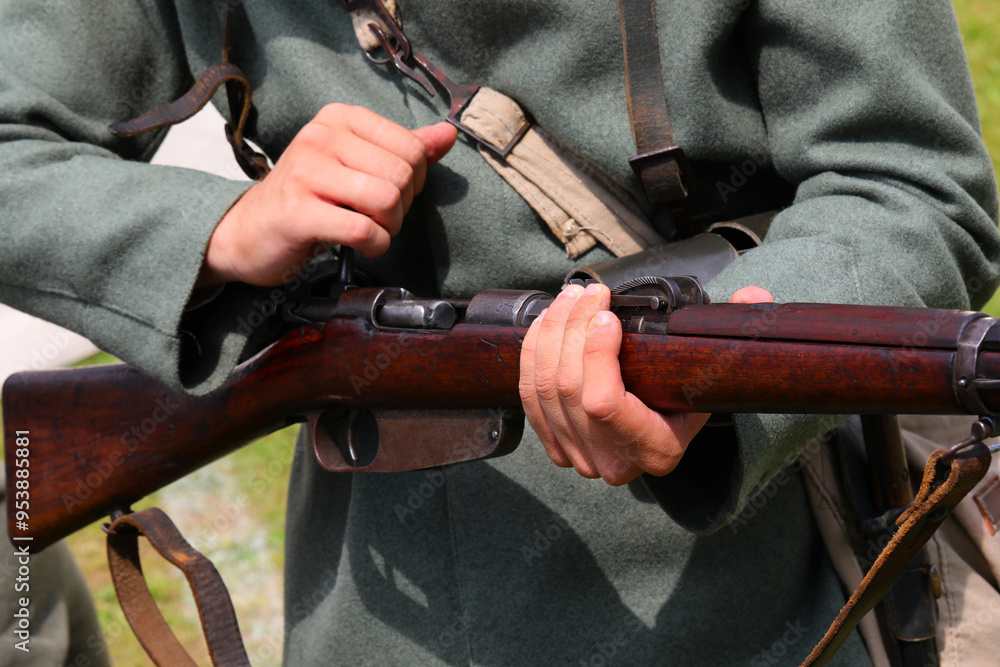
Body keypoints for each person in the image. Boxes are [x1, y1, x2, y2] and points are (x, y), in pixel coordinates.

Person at [1, 1, 997, 665]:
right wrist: (217, 233)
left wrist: (724, 370)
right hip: (389, 606)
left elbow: (912, 184)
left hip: (756, 594)